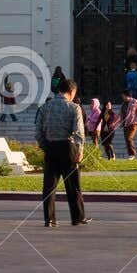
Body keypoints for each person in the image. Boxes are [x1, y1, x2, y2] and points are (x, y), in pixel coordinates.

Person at [35, 77, 90, 227]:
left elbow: (38, 131)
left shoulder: (46, 107)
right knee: (73, 185)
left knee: (49, 186)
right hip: (68, 147)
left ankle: (50, 219)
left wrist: (44, 145)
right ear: (71, 91)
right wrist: (80, 149)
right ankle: (77, 217)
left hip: (51, 147)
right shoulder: (74, 108)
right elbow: (79, 132)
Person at [119, 88, 137, 159]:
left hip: (133, 123)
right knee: (126, 140)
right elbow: (121, 114)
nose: (122, 97)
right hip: (125, 124)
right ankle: (130, 154)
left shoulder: (135, 102)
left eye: (123, 95)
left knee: (129, 138)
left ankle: (133, 154)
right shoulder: (123, 104)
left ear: (127, 95)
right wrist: (119, 122)